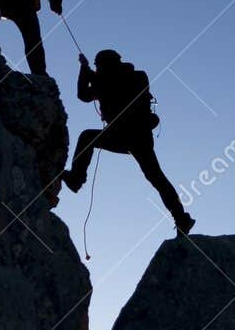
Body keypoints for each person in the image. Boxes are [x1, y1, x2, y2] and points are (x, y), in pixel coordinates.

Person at [63, 51, 195, 235]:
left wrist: (86, 71)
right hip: (133, 136)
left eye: (100, 66)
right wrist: (86, 71)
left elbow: (88, 93)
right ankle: (181, 217)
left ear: (106, 65)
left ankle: (76, 180)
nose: (99, 69)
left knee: (88, 138)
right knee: (156, 177)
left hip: (131, 134)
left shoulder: (130, 77)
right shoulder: (132, 76)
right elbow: (85, 95)